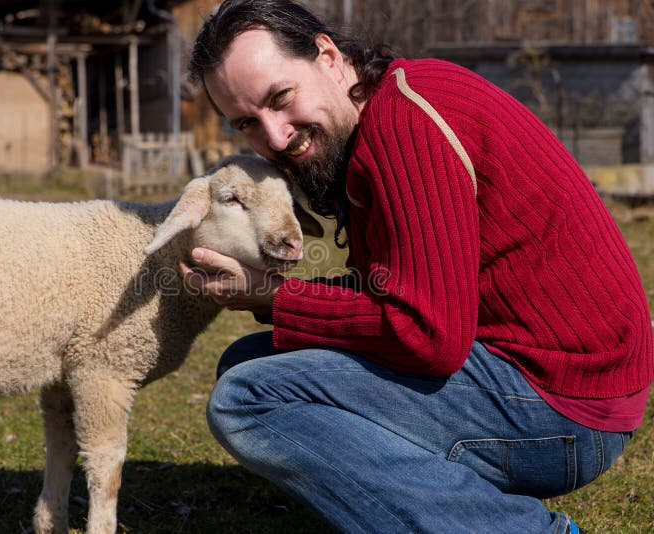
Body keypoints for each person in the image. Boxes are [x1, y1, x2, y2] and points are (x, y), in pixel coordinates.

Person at [182, 1, 654, 532]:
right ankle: (424, 504)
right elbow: (403, 290)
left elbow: (428, 334)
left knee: (249, 398)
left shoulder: (407, 121)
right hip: (540, 374)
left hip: (565, 403)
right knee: (249, 362)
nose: (274, 137)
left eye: (281, 99)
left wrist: (275, 298)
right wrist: (275, 297)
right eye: (248, 122)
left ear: (329, 58)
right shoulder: (377, 120)